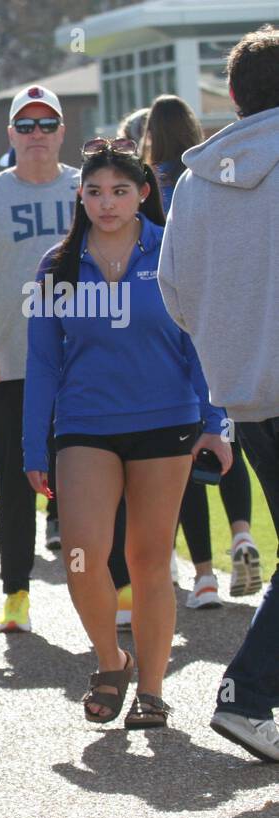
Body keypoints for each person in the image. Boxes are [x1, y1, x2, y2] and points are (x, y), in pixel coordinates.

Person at [25, 138, 228, 728]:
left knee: (148, 558)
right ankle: (111, 660)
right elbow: (42, 365)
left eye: (119, 191)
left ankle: (154, 688)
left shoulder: (173, 255)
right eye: (93, 192)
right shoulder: (56, 266)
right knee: (84, 555)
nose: (106, 203)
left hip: (167, 421)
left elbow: (198, 345)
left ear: (142, 194)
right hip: (85, 425)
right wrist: (33, 445)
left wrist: (214, 423)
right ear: (79, 196)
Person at [159, 24, 279, 761]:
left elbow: (176, 294)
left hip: (248, 394)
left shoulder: (195, 184)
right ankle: (247, 692)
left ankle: (252, 691)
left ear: (230, 96)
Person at [0, 84, 81, 633]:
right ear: (10, 134)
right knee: (13, 482)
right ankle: (16, 593)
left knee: (89, 481)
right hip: (12, 366)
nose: (35, 135)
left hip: (86, 366)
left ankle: (112, 585)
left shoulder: (87, 188)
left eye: (45, 124)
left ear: (61, 131)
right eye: (24, 126)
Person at [142, 93, 262, 606]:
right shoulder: (213, 170)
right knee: (225, 436)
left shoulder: (149, 185)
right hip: (222, 326)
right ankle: (242, 533)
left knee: (185, 445)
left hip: (170, 322)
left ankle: (203, 573)